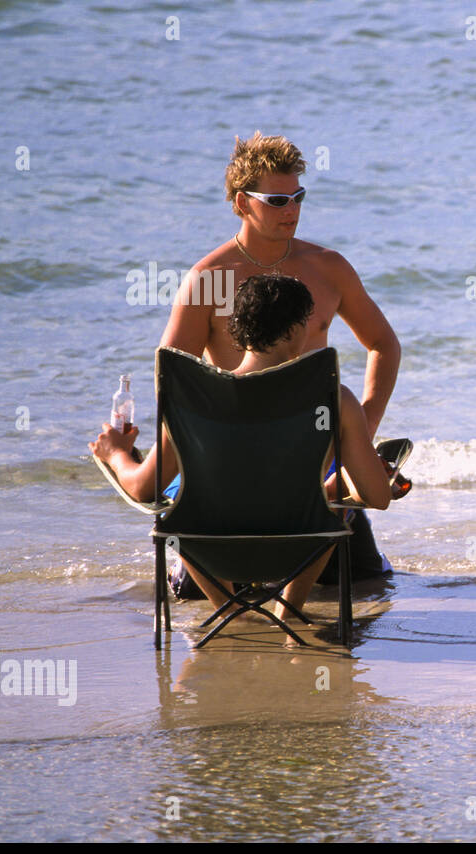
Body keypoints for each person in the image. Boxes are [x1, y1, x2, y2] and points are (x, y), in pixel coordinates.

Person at [159, 132, 401, 584]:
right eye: (275, 200)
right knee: (193, 590)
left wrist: (362, 429)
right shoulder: (209, 279)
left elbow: (384, 345)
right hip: (233, 458)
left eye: (297, 198)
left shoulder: (328, 268)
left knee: (368, 582)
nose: (290, 210)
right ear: (240, 203)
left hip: (311, 460)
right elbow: (173, 378)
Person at [91, 274, 394, 626]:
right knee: (334, 508)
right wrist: (344, 481)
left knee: (172, 509)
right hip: (297, 548)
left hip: (211, 552)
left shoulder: (193, 402)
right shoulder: (334, 400)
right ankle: (288, 608)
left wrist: (115, 454)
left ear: (238, 332)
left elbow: (144, 488)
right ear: (296, 331)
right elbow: (378, 497)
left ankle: (230, 610)